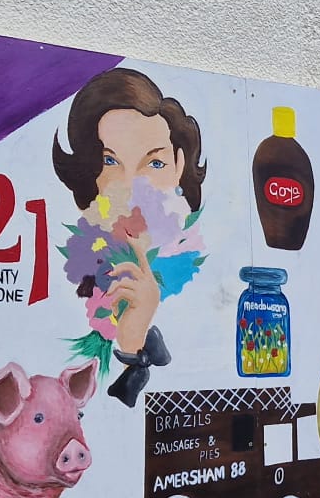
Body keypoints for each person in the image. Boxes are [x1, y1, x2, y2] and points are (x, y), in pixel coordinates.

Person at [52, 68, 210, 405]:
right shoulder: (87, 262)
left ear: (179, 163)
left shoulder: (193, 260)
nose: (133, 184)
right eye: (111, 162)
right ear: (91, 173)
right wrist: (130, 336)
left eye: (154, 163)